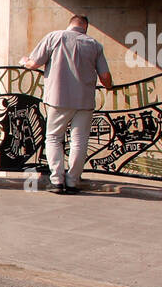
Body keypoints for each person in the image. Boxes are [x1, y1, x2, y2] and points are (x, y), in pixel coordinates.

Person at [20, 14, 113, 194]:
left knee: (54, 138)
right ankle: (72, 181)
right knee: (79, 141)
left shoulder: (55, 37)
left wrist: (25, 61)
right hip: (85, 101)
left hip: (58, 99)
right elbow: (105, 77)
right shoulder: (94, 45)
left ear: (70, 24)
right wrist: (110, 87)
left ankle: (57, 181)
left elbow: (34, 63)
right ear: (85, 27)